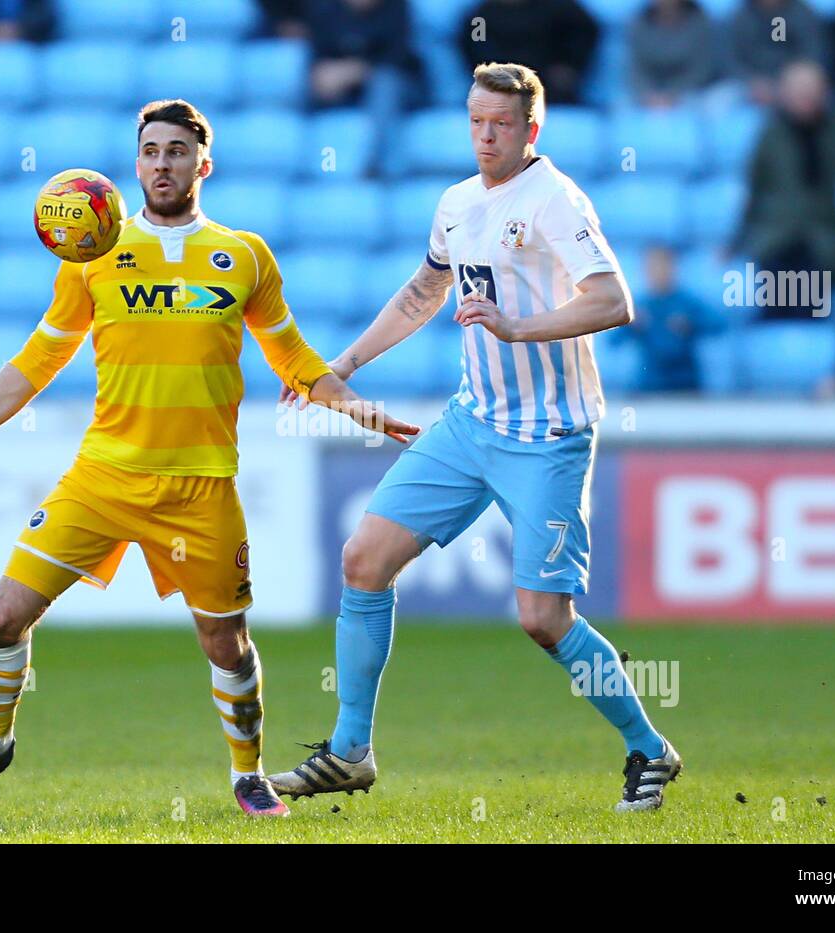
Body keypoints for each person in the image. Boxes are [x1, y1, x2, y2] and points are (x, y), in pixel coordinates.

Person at [0, 99, 418, 818]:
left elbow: (294, 358)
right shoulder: (94, 255)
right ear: (135, 162)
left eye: (177, 151)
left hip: (201, 487)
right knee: (1, 617)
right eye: (150, 151)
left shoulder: (244, 256)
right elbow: (39, 358)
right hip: (104, 477)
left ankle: (249, 774)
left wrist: (356, 406)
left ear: (202, 164)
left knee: (227, 643)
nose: (162, 163)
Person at [270, 63, 681, 813]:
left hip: (549, 434)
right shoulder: (457, 204)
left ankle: (650, 749)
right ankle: (351, 749)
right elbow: (425, 290)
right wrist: (343, 365)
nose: (485, 136)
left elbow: (614, 299)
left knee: (541, 618)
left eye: (500, 124)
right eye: (475, 121)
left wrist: (519, 326)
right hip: (471, 422)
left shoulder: (555, 199)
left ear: (532, 129)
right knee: (363, 559)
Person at [735, 61, 835, 318]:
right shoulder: (770, 134)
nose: (806, 100)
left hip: (822, 236)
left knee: (812, 294)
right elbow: (753, 190)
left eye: (812, 93)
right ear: (784, 94)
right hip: (775, 236)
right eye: (799, 93)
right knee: (775, 293)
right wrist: (735, 240)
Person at [457, 0, 599, 106]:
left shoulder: (560, 8)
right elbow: (475, 44)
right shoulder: (482, 16)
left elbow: (583, 34)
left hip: (550, 87)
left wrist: (569, 65)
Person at [630, 246, 725, 391]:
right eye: (652, 267)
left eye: (663, 266)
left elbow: (719, 325)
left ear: (673, 268)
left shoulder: (687, 302)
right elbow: (612, 341)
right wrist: (632, 325)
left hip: (686, 382)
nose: (658, 272)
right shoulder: (639, 306)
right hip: (649, 384)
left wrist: (691, 324)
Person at [726, 0, 828, 107]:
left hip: (794, 85)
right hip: (750, 86)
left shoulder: (802, 12)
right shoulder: (739, 15)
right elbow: (730, 59)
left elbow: (814, 52)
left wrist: (789, 82)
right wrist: (750, 81)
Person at [626, 0, 719, 109]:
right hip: (649, 96)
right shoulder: (638, 23)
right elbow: (635, 68)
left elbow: (701, 68)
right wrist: (648, 94)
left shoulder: (700, 21)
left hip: (694, 93)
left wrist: (674, 93)